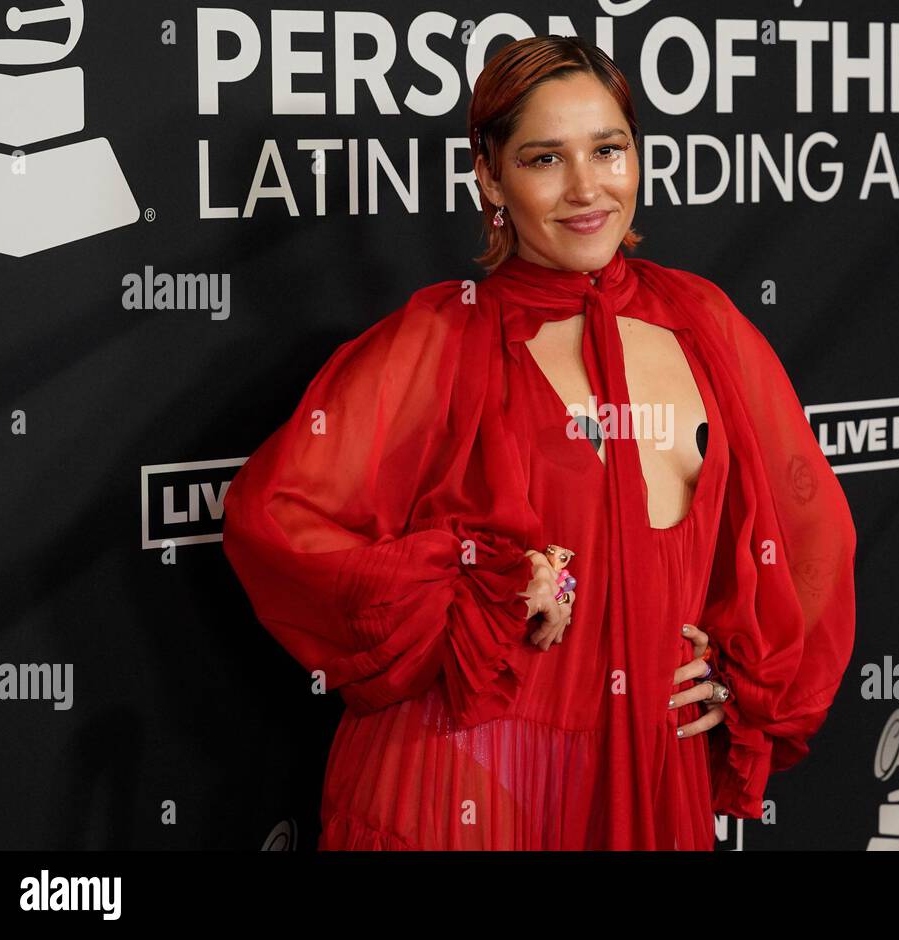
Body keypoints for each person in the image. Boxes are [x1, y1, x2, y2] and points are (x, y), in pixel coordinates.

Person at [221, 35, 857, 851]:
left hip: (649, 776)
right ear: (491, 175)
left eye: (608, 149)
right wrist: (466, 588)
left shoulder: (706, 324)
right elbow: (274, 519)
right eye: (545, 158)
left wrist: (743, 675)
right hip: (472, 780)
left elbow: (809, 533)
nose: (586, 187)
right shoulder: (444, 340)